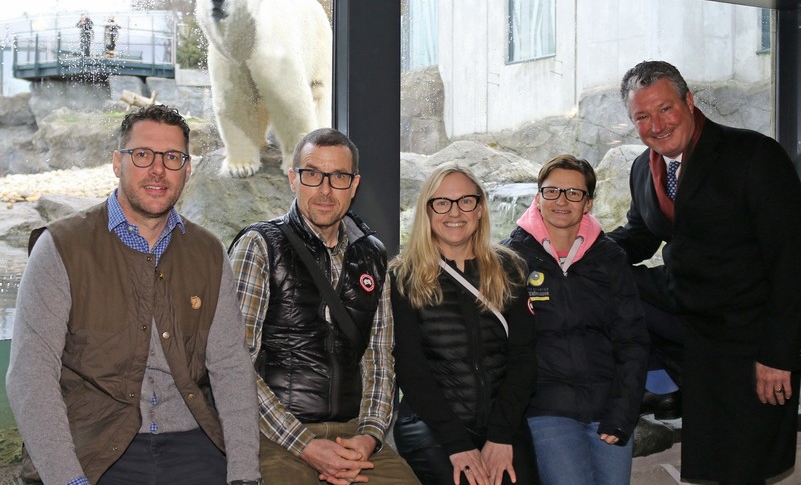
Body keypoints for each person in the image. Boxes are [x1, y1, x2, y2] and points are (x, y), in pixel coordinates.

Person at [6, 104, 262, 485]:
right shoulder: (61, 248)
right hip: (94, 447)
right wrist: (68, 480)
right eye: (143, 154)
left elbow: (231, 368)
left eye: (172, 157)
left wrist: (244, 475)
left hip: (191, 441)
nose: (158, 169)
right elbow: (31, 376)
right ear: (117, 163)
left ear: (187, 170)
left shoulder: (209, 252)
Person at [608, 60, 801, 484]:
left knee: (744, 466)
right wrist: (573, 248)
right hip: (691, 330)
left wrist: (778, 355)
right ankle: (649, 387)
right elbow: (639, 235)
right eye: (642, 116)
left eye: (665, 109)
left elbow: (791, 261)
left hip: (749, 337)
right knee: (599, 279)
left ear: (689, 102)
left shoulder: (753, 155)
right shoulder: (643, 169)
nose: (657, 125)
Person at [228, 128, 419, 485]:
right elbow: (235, 365)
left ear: (354, 184)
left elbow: (379, 359)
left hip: (352, 433)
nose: (326, 190)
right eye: (313, 175)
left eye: (339, 177)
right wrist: (305, 445)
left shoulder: (372, 255)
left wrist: (369, 436)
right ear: (293, 179)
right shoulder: (259, 246)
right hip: (274, 434)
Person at [503, 154, 649, 485]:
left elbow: (633, 340)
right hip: (546, 409)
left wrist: (623, 412)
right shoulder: (510, 260)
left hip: (608, 407)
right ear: (538, 197)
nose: (562, 201)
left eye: (573, 193)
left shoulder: (610, 258)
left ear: (588, 203)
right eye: (552, 191)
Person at [390, 163, 538, 485]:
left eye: (466, 201)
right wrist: (456, 444)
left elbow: (523, 358)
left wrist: (501, 435)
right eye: (442, 202)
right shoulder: (403, 278)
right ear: (427, 211)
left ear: (480, 208)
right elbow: (411, 370)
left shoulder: (509, 268)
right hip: (432, 426)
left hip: (502, 423)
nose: (454, 212)